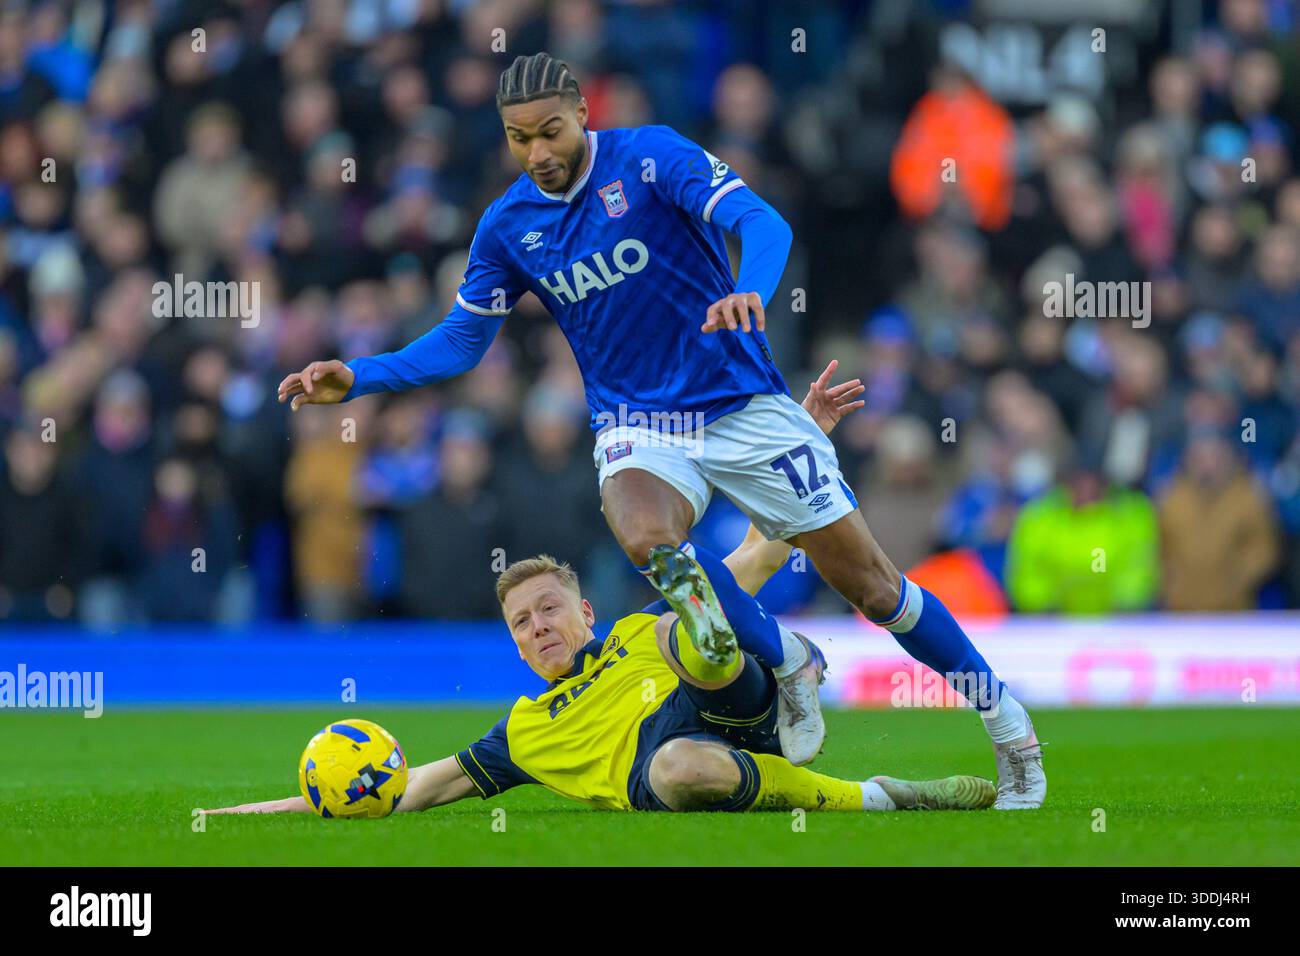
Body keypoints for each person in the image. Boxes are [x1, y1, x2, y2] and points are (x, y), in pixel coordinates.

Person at [277, 52, 1044, 807]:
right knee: (649, 538)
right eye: (519, 139)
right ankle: (787, 660)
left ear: (583, 112)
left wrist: (750, 290)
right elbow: (462, 340)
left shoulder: (650, 159)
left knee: (876, 590)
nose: (538, 153)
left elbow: (760, 221)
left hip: (740, 401)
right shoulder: (509, 225)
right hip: (637, 421)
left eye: (550, 131)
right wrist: (361, 376)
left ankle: (1009, 727)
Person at [207, 544, 994, 816]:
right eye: (523, 623)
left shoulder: (626, 632)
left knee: (681, 619)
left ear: (582, 611)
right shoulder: (522, 734)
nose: (539, 627)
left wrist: (806, 439)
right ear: (517, 648)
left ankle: (787, 673)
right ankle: (885, 794)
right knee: (677, 765)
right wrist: (268, 807)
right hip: (666, 769)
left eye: (549, 609)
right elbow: (405, 786)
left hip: (729, 704)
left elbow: (748, 560)